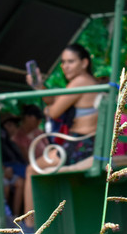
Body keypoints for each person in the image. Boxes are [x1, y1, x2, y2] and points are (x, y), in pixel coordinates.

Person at [24, 43, 99, 215]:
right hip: (87, 144)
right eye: (63, 62)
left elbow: (54, 111)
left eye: (70, 61)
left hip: (81, 146)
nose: (65, 66)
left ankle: (29, 224)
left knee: (31, 170)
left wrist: (48, 110)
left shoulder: (79, 82)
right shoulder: (88, 81)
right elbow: (54, 100)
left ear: (84, 63)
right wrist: (39, 86)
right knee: (39, 165)